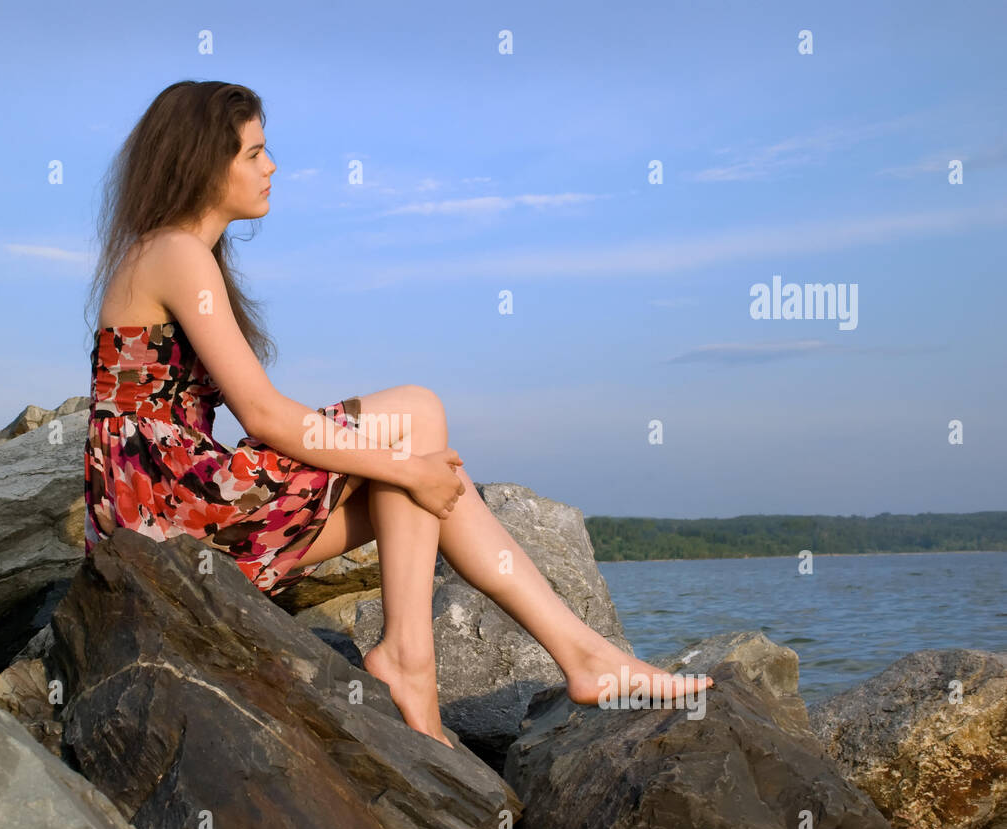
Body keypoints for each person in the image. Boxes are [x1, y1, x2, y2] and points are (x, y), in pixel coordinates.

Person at [83, 80, 712, 750]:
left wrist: (405, 471)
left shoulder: (175, 252)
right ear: (206, 162)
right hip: (172, 522)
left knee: (416, 470)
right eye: (255, 153)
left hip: (166, 518)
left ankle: (511, 658)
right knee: (414, 422)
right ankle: (463, 659)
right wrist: (404, 465)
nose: (272, 167)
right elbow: (263, 414)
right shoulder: (176, 252)